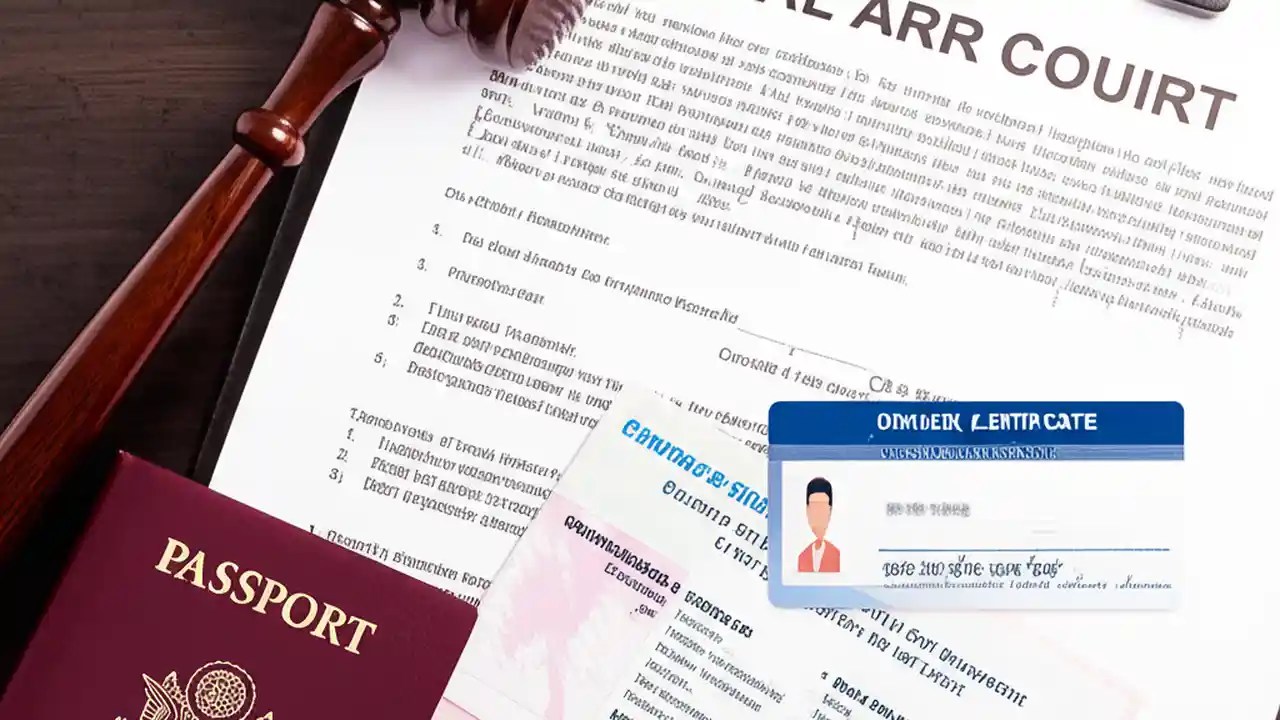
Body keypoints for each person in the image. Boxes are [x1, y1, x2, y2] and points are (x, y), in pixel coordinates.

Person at [798, 477, 840, 573]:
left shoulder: (837, 555)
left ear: (830, 510)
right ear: (807, 510)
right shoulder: (802, 556)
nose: (818, 513)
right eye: (814, 506)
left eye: (822, 506)